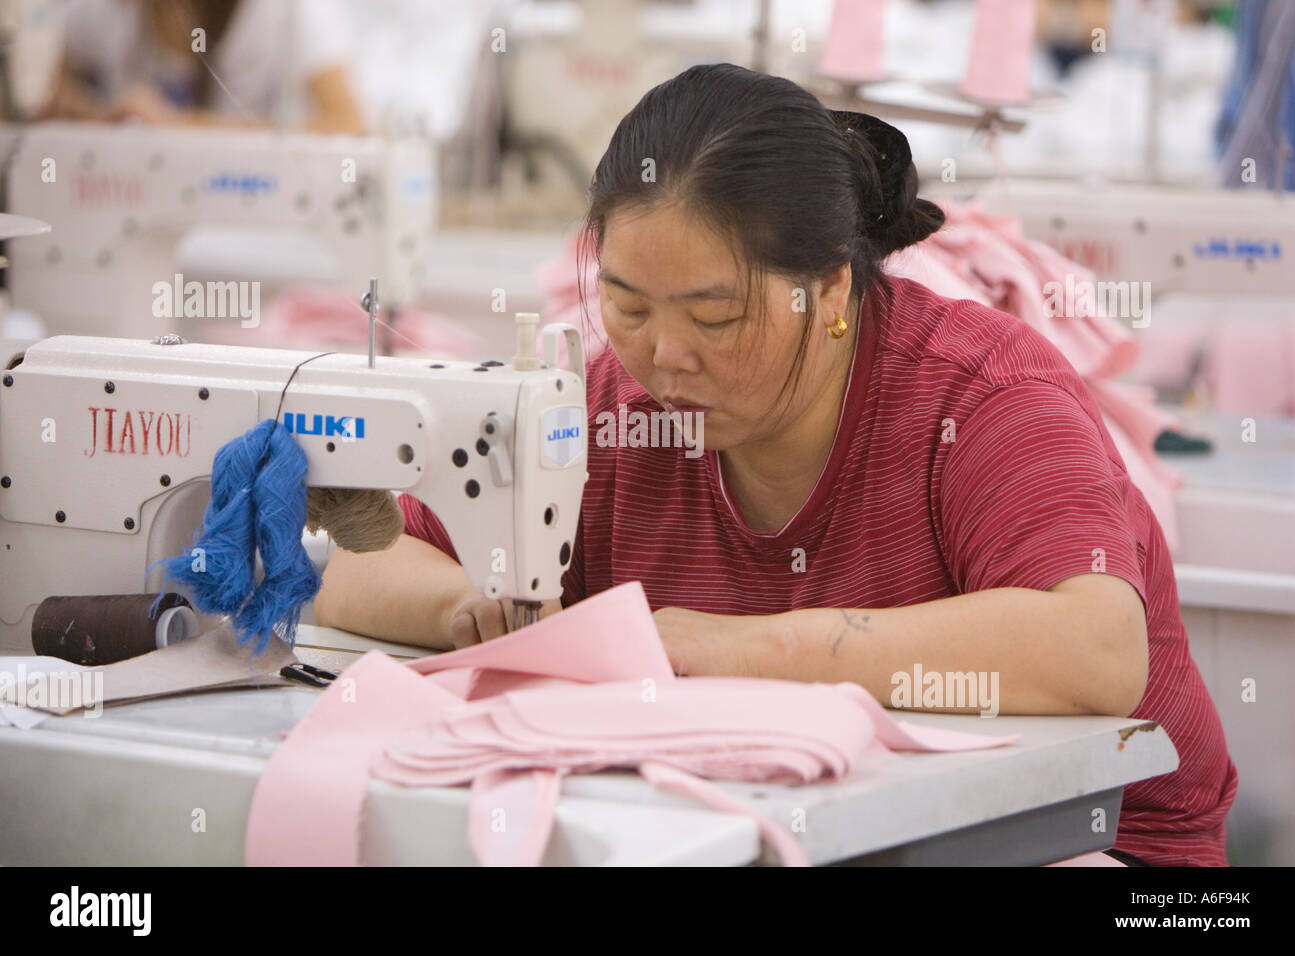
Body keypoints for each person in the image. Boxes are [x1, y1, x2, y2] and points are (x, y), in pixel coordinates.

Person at [313, 63, 1237, 866]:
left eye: (715, 317)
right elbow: (359, 564)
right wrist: (473, 610)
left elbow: (1095, 650)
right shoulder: (609, 409)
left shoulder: (980, 394)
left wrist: (733, 649)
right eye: (628, 308)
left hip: (1092, 849)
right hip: (787, 835)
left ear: (830, 287)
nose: (664, 355)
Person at [41, 0, 363, 133]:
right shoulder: (102, 13)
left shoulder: (295, 11)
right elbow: (52, 99)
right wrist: (96, 116)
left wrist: (179, 124)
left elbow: (348, 122)